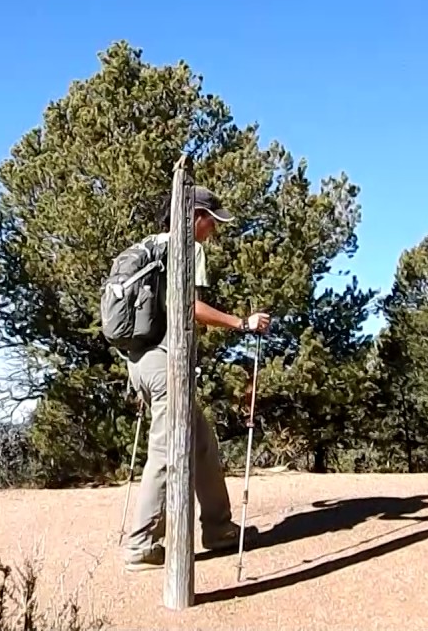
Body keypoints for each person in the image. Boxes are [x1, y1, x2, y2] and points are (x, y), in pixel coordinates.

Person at [121, 185, 271, 572]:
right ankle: (142, 543)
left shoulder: (150, 246)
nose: (213, 231)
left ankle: (218, 528)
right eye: (211, 222)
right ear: (194, 217)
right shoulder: (187, 248)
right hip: (163, 362)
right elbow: (188, 305)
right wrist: (242, 323)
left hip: (141, 360)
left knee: (201, 442)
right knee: (168, 452)